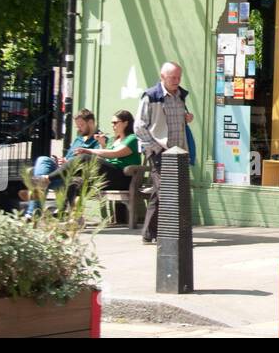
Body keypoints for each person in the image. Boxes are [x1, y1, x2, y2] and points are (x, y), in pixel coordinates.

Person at [135, 62, 193, 243]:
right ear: (162, 77)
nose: (176, 81)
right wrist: (155, 147)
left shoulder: (180, 96)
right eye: (172, 77)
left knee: (159, 193)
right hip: (160, 152)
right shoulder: (151, 96)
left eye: (178, 77)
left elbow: (175, 121)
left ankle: (148, 233)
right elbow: (139, 126)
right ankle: (173, 237)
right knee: (168, 192)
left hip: (178, 151)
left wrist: (186, 118)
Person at [21, 110, 104, 215]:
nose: (78, 128)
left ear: (91, 122)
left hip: (76, 179)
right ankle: (41, 184)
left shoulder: (100, 140)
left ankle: (33, 211)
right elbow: (69, 157)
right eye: (77, 126)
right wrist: (63, 160)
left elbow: (99, 162)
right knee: (43, 160)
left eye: (81, 125)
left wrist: (102, 145)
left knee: (41, 180)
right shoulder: (79, 139)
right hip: (61, 174)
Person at [72, 110, 143, 194]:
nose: (112, 125)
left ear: (125, 123)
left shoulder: (132, 138)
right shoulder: (112, 140)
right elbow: (105, 160)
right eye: (112, 123)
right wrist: (102, 144)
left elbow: (114, 153)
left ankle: (53, 177)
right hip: (110, 177)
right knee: (75, 184)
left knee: (84, 157)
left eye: (115, 123)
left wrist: (89, 150)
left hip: (124, 178)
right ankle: (65, 203)